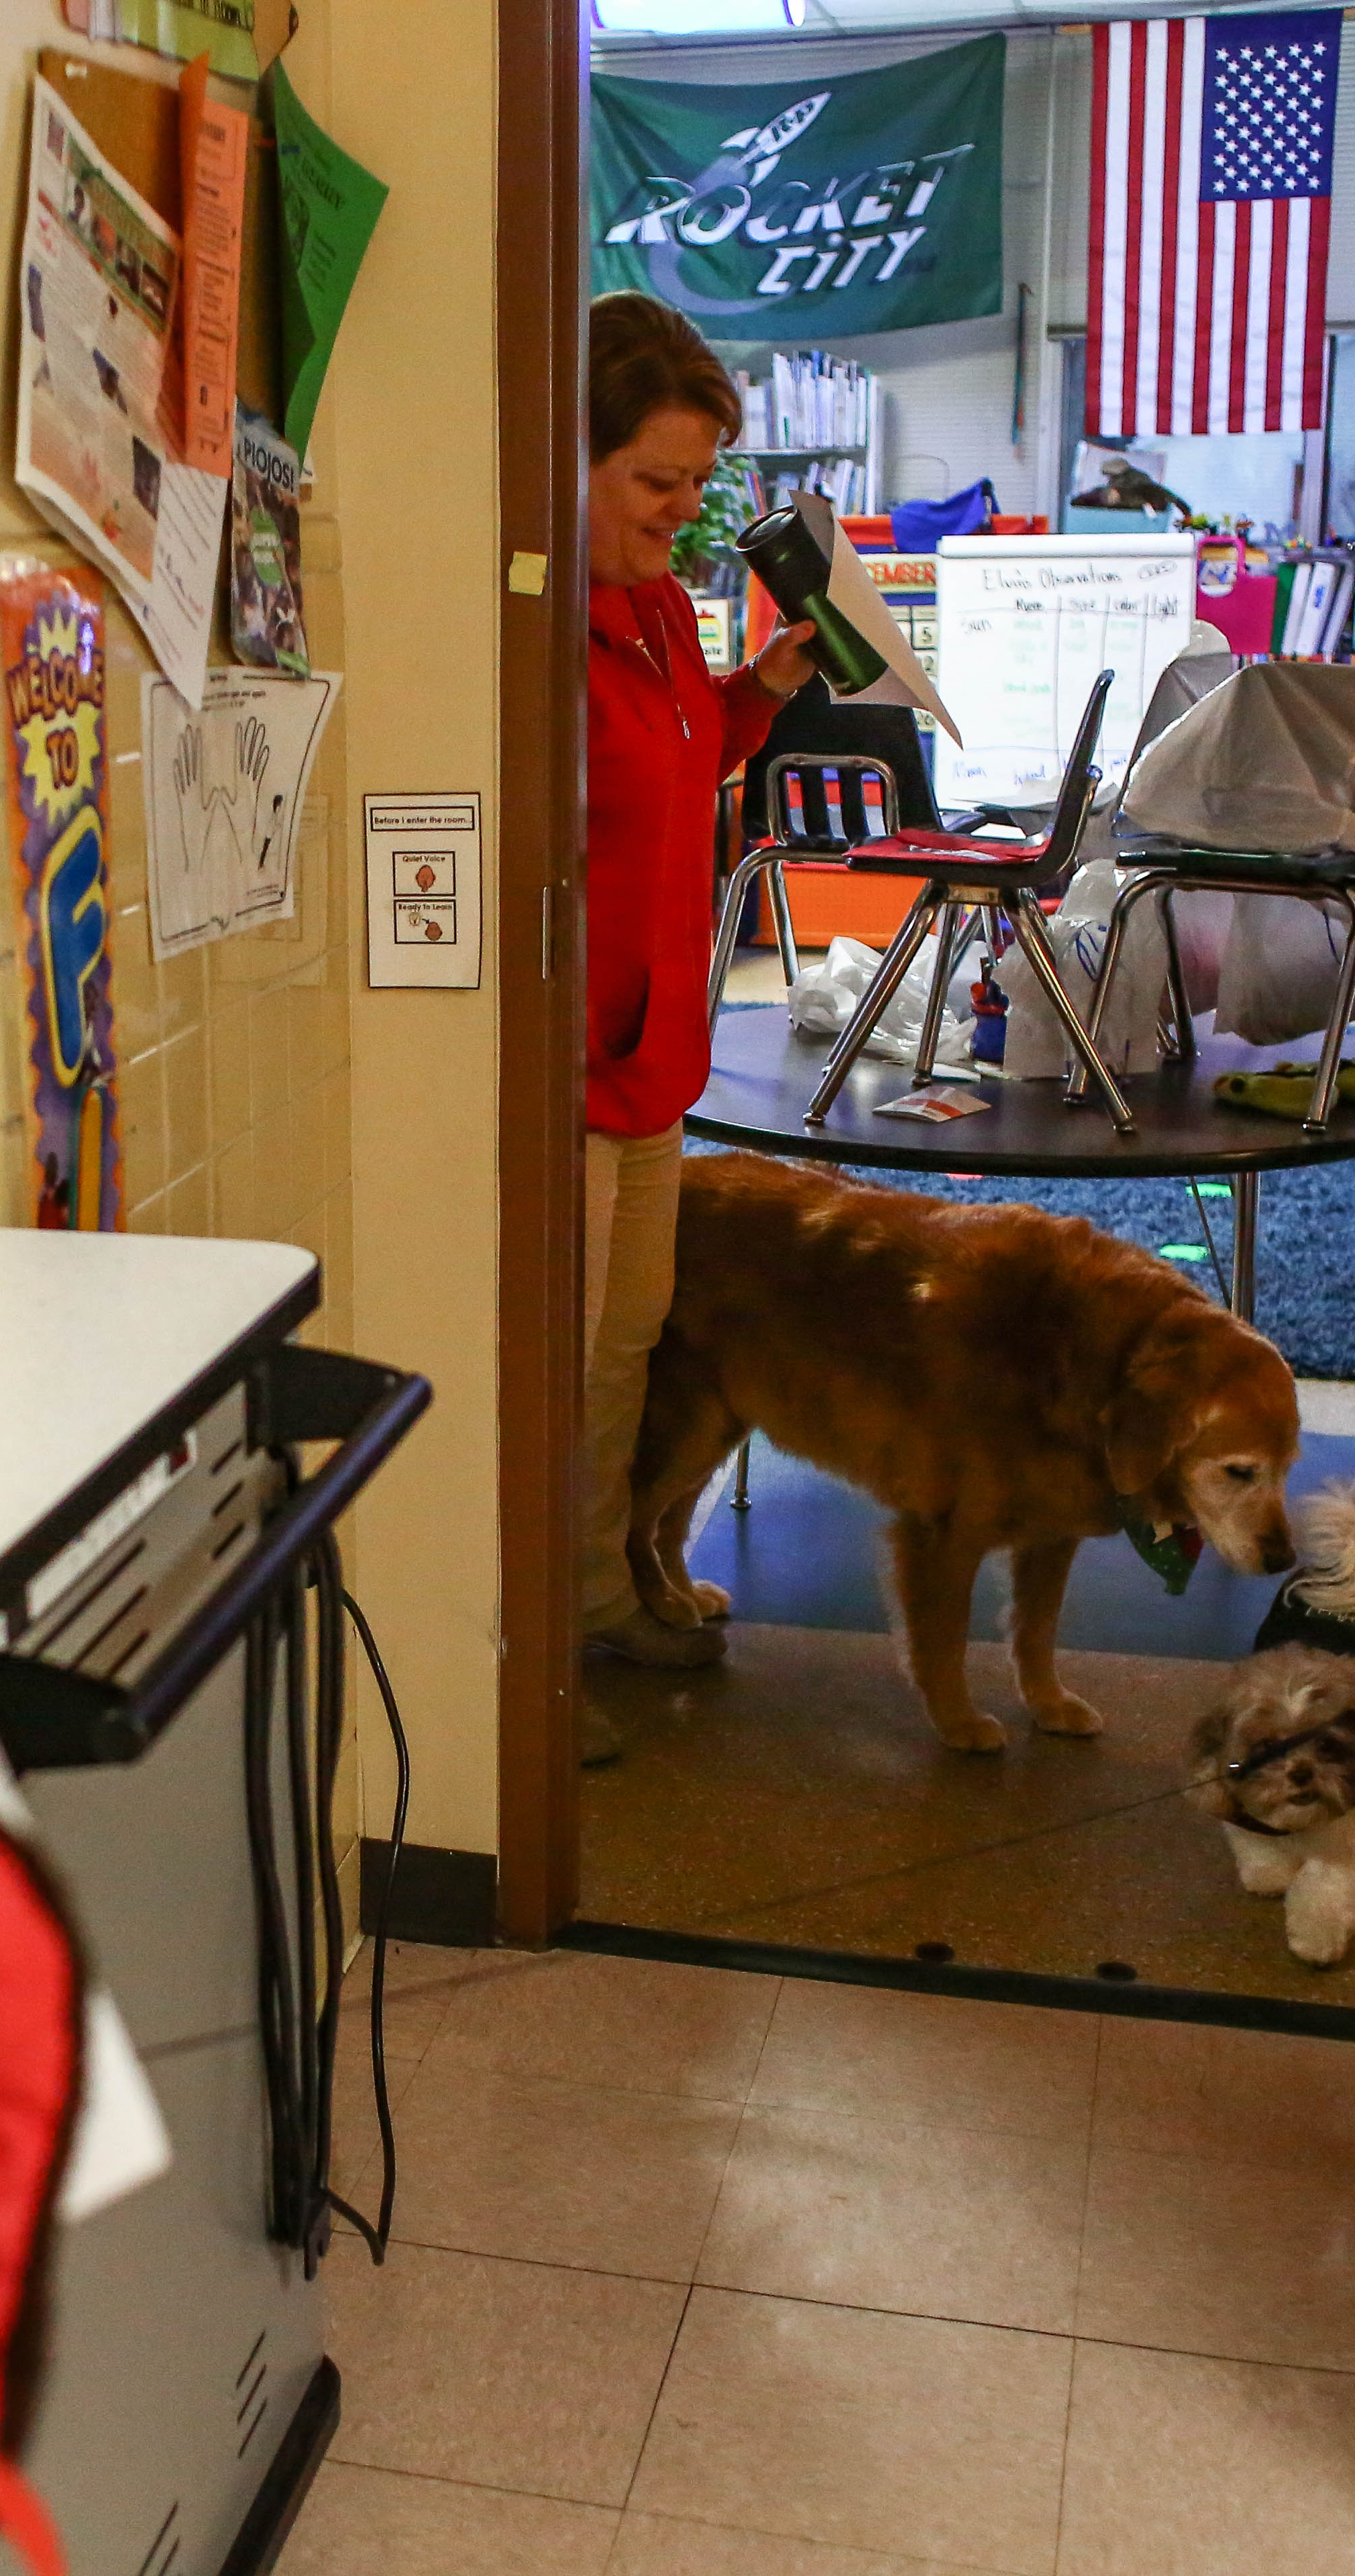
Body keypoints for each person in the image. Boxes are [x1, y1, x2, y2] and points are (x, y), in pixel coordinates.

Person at [576, 292, 815, 1731]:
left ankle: (604, 1592)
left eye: (699, 484)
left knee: (630, 1341)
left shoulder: (662, 610)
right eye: (656, 482)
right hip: (572, 1067)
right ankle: (553, 1633)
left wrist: (768, 687)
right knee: (563, 1358)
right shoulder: (531, 628)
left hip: (659, 1055)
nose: (685, 511)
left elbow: (688, 760)